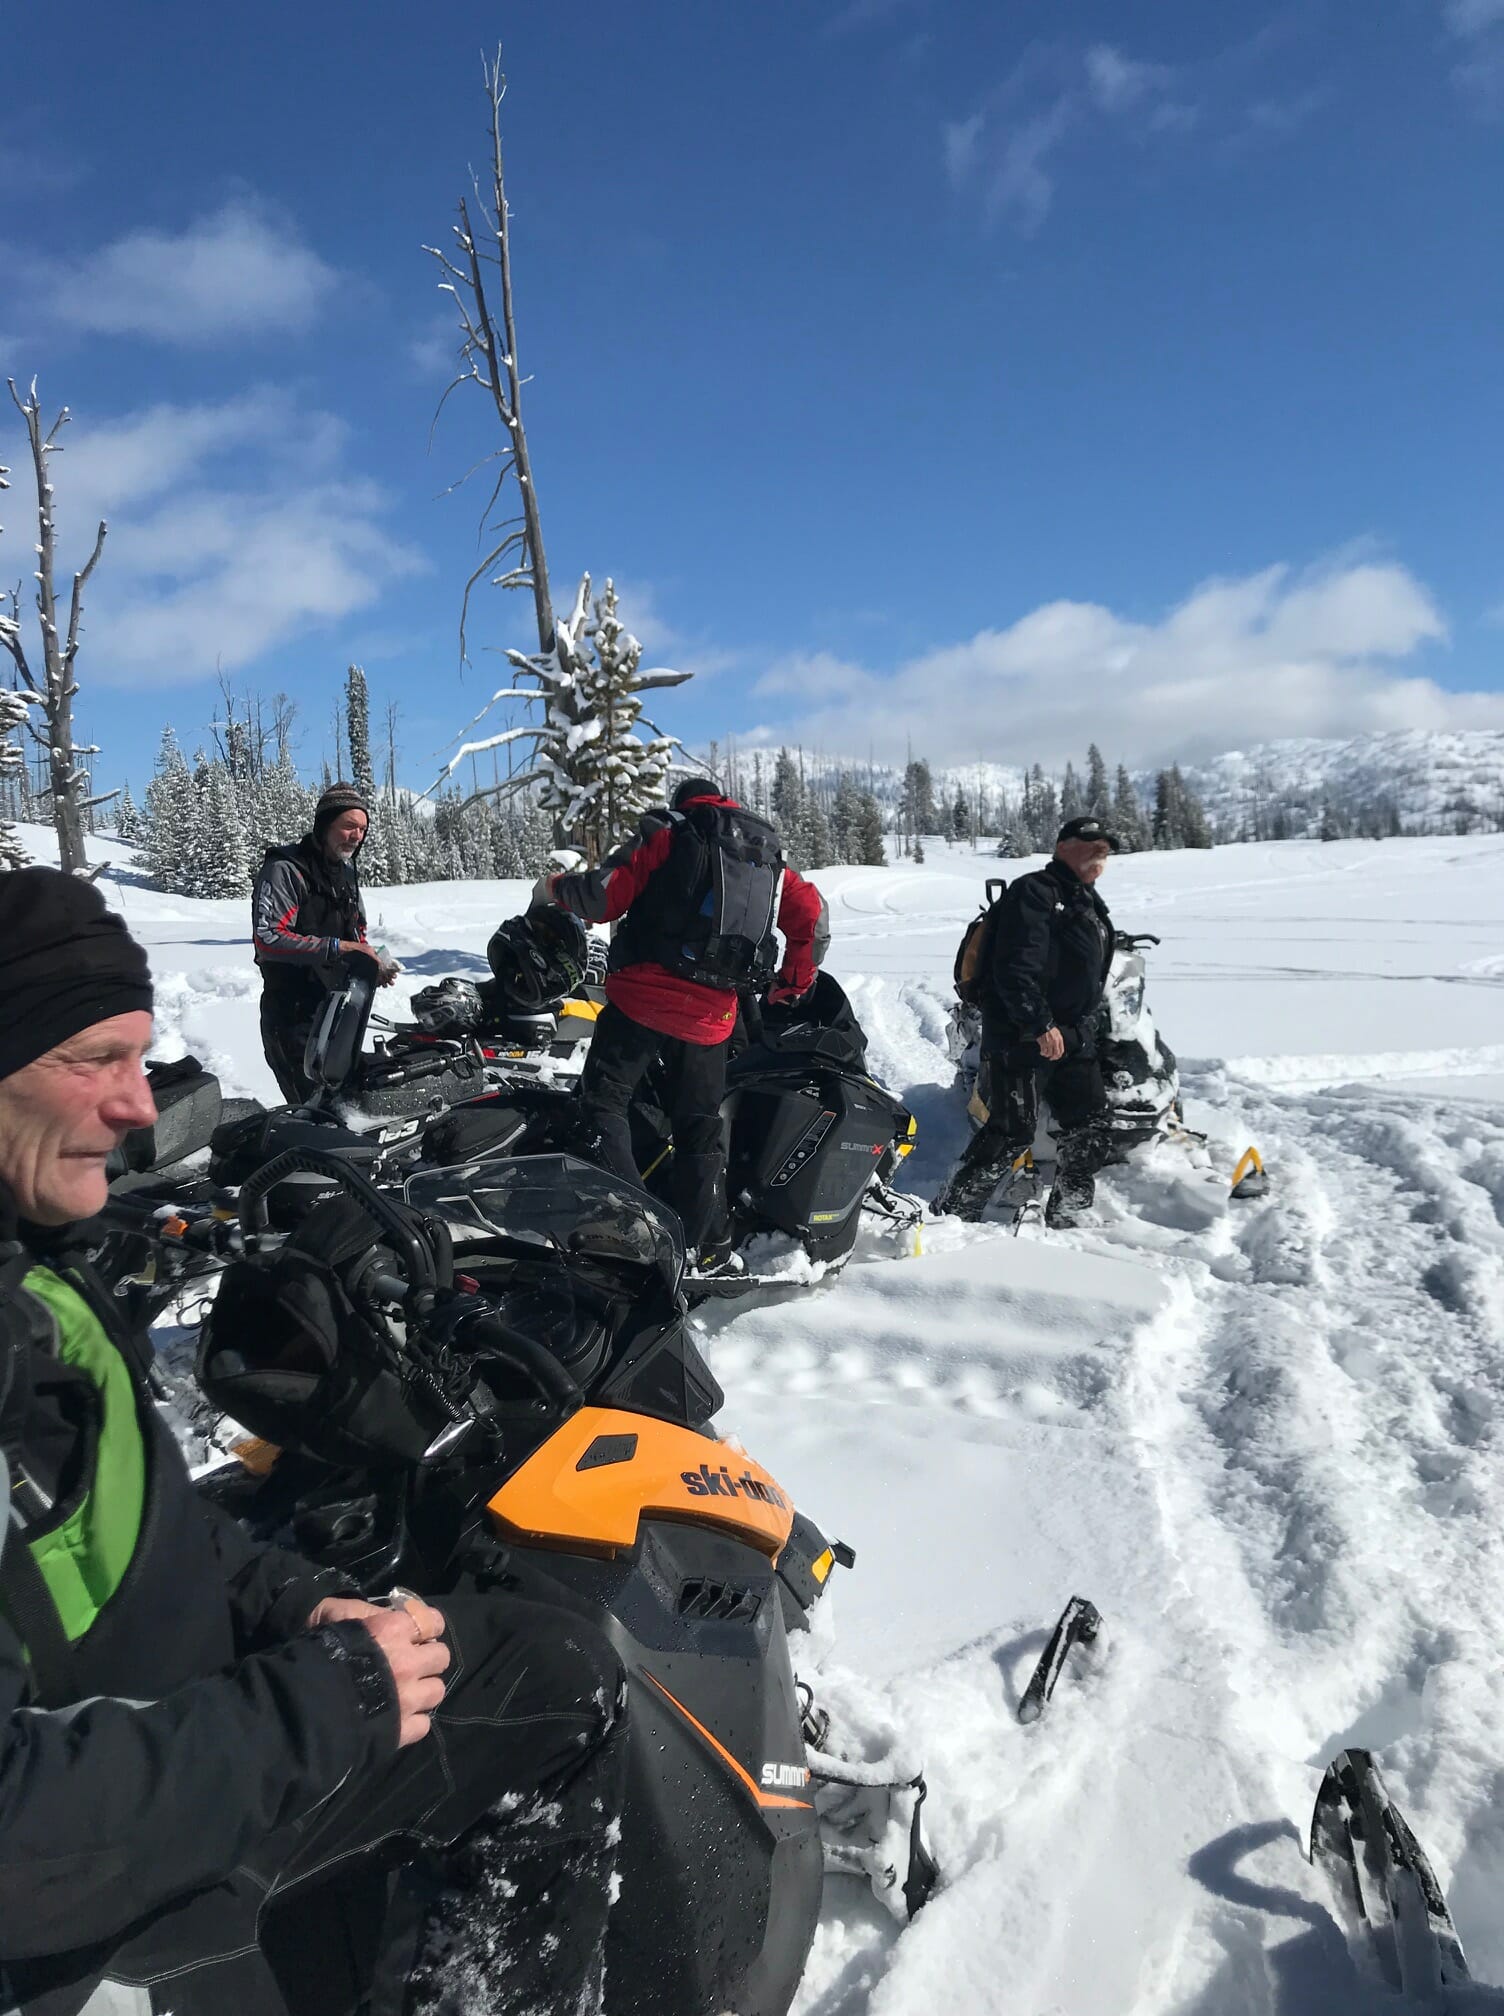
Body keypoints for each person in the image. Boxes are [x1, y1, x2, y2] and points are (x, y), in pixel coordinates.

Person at [0, 868, 625, 2015]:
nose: (141, 1107)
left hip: (167, 1732)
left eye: (141, 1060)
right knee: (556, 1678)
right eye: (93, 1060)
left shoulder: (34, 1267)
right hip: (112, 1869)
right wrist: (318, 1706)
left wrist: (293, 1609)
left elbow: (123, 1528)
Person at [543, 779, 826, 1275]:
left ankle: (636, 1230)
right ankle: (709, 1246)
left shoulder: (668, 832)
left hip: (641, 1002)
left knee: (602, 1103)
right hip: (713, 1017)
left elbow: (605, 897)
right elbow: (812, 919)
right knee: (699, 1128)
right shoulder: (764, 855)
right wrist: (791, 984)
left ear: (682, 803)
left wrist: (555, 889)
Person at [934, 814, 1118, 1228]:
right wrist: (1038, 1024)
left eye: (1104, 851)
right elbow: (1015, 968)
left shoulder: (1085, 900)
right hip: (1024, 1036)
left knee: (1090, 1123)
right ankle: (953, 1213)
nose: (1099, 857)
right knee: (1010, 1132)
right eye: (1090, 847)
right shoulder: (1034, 893)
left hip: (1072, 1035)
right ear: (1062, 847)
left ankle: (1068, 1207)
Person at [252, 782, 399, 1103]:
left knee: (349, 1109)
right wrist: (342, 948)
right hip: (292, 1015)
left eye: (362, 829)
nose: (356, 835)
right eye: (348, 826)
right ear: (324, 825)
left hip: (337, 1014)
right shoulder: (286, 870)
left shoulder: (345, 876)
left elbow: (356, 934)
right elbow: (268, 939)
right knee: (313, 1113)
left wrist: (372, 963)